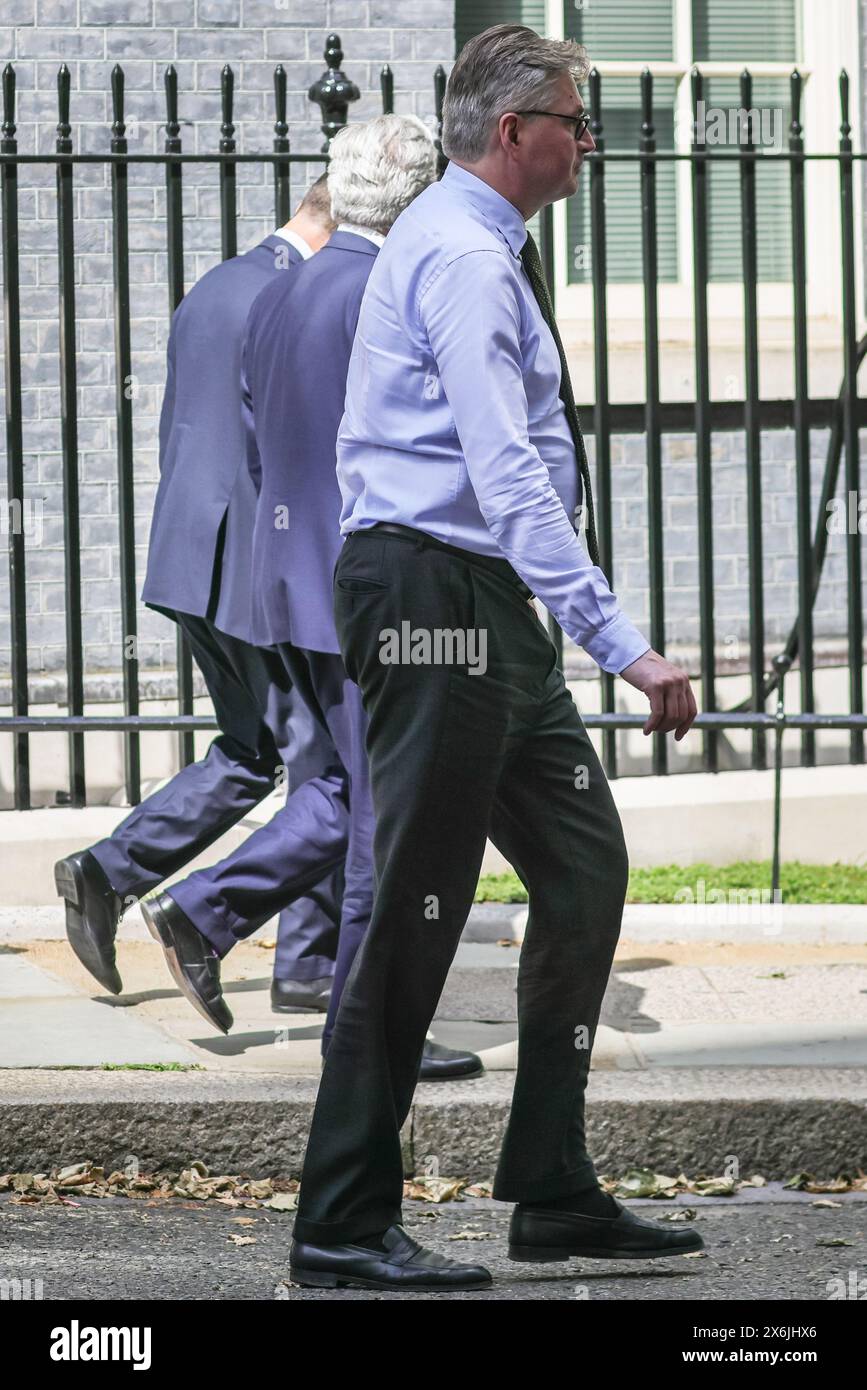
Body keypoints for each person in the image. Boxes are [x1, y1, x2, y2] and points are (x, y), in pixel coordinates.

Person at [288, 25, 702, 1293]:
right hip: (433, 593)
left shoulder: (474, 244)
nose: (587, 139)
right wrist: (625, 647)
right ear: (515, 131)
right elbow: (505, 473)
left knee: (582, 867)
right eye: (574, 119)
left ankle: (553, 1189)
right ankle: (342, 1221)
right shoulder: (464, 258)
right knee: (420, 900)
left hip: (482, 606)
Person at [141, 116, 482, 1082]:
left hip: (285, 584)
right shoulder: (380, 292)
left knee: (336, 785)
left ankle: (210, 911)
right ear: (416, 200)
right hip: (362, 593)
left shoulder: (280, 293)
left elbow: (264, 449)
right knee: (385, 808)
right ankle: (365, 1030)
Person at [55, 177, 348, 1021]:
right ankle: (299, 961)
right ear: (331, 227)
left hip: (191, 555)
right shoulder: (294, 295)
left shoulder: (216, 282)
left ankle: (107, 872)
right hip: (254, 564)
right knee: (325, 764)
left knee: (251, 750)